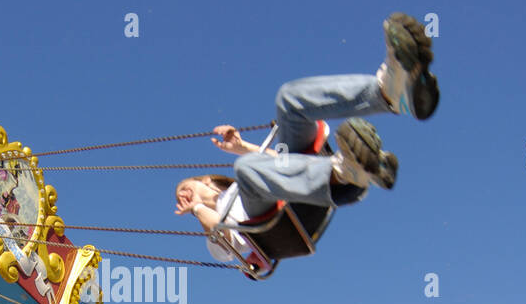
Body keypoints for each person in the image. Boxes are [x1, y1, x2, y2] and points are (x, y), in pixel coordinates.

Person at [176, 15, 438, 254]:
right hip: (275, 221)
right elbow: (226, 244)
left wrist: (241, 145)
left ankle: (389, 92)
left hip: (291, 180)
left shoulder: (235, 186)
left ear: (205, 179)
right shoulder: (215, 224)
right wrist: (197, 208)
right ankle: (343, 174)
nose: (183, 196)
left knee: (289, 100)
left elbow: (278, 164)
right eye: (181, 200)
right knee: (247, 169)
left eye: (184, 189)